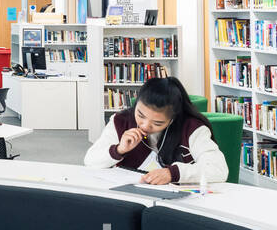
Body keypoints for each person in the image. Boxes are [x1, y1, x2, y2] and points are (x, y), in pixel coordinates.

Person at [84, 76, 227, 185]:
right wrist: (119, 149)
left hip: (181, 203)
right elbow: (90, 160)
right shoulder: (121, 120)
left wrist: (173, 173)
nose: (145, 126)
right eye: (140, 115)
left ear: (173, 118)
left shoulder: (192, 128)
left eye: (157, 123)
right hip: (132, 197)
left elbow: (218, 169)